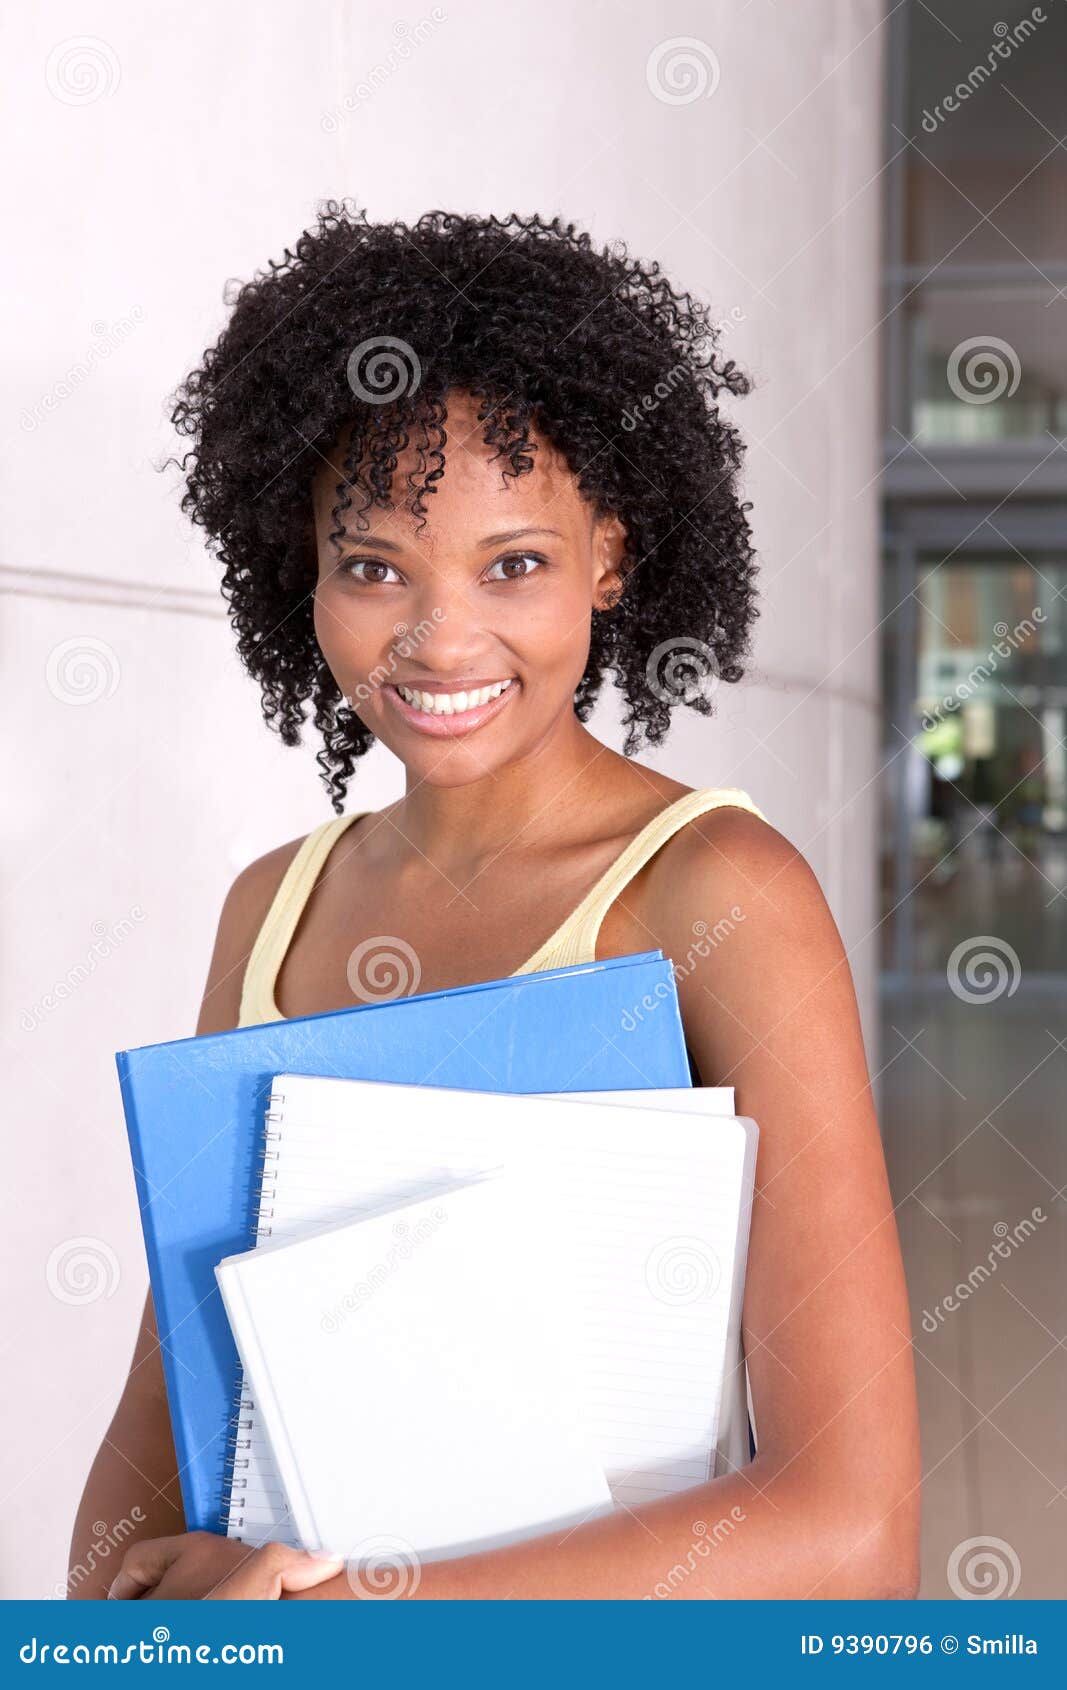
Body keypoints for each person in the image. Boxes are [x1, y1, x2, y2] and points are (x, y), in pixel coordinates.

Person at [71, 203, 919, 1600]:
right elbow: (160, 1433)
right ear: (305, 574)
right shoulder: (270, 908)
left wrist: (360, 1619)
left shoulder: (717, 894)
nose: (439, 638)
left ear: (610, 558)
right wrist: (130, 1612)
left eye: (513, 564)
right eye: (373, 568)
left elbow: (855, 1530)